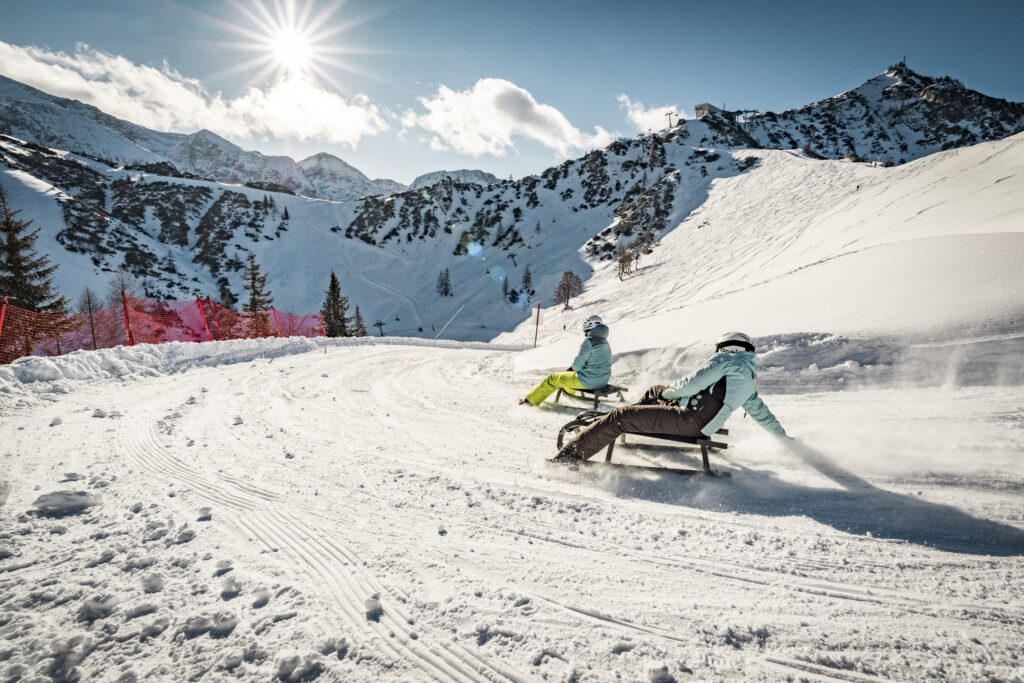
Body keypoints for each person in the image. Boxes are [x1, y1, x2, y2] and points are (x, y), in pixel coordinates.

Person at [553, 331, 788, 462]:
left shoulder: (726, 360)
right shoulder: (748, 376)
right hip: (701, 423)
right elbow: (763, 415)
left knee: (621, 415)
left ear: (725, 347)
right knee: (654, 390)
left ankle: (570, 456)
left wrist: (668, 393)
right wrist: (785, 439)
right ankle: (628, 421)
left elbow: (691, 384)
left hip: (688, 419)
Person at [521, 315, 611, 406]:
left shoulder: (589, 342)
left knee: (553, 378)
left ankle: (530, 401)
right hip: (602, 380)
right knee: (571, 375)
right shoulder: (604, 341)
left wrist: (571, 369)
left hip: (589, 381)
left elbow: (577, 366)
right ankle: (569, 392)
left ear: (588, 326)